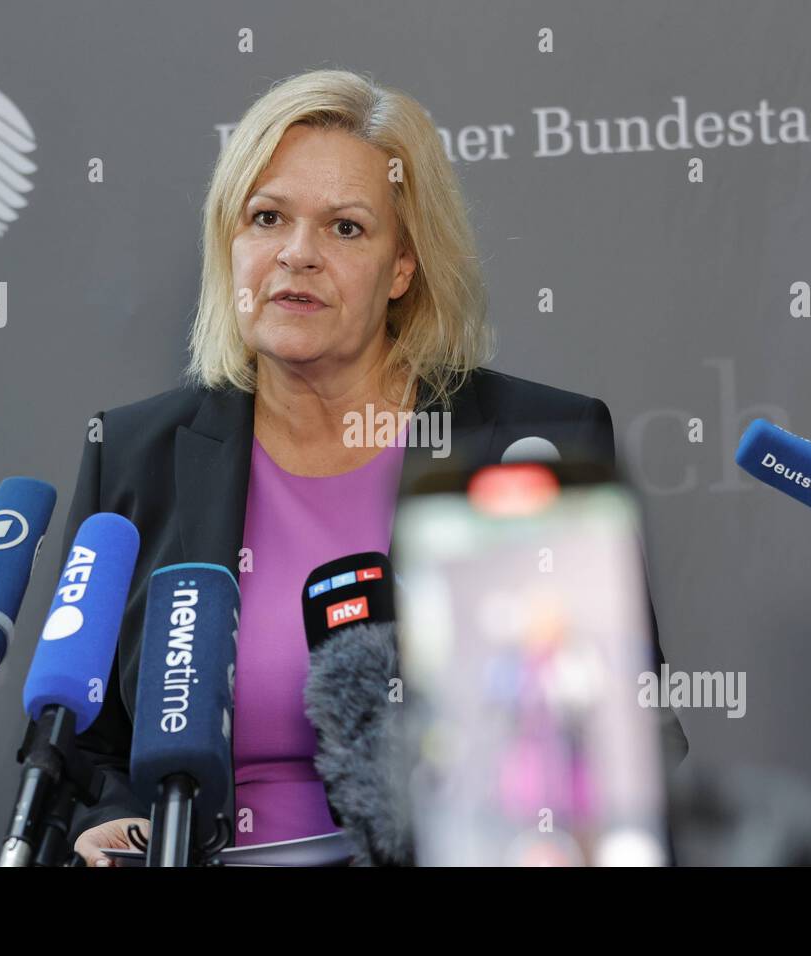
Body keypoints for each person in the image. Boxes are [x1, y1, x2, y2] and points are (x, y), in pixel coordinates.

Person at [67, 68, 687, 866]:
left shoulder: (530, 440)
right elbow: (81, 748)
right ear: (232, 244)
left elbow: (629, 736)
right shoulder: (132, 453)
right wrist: (105, 819)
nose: (297, 254)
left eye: (346, 229)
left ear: (403, 268)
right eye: (267, 218)